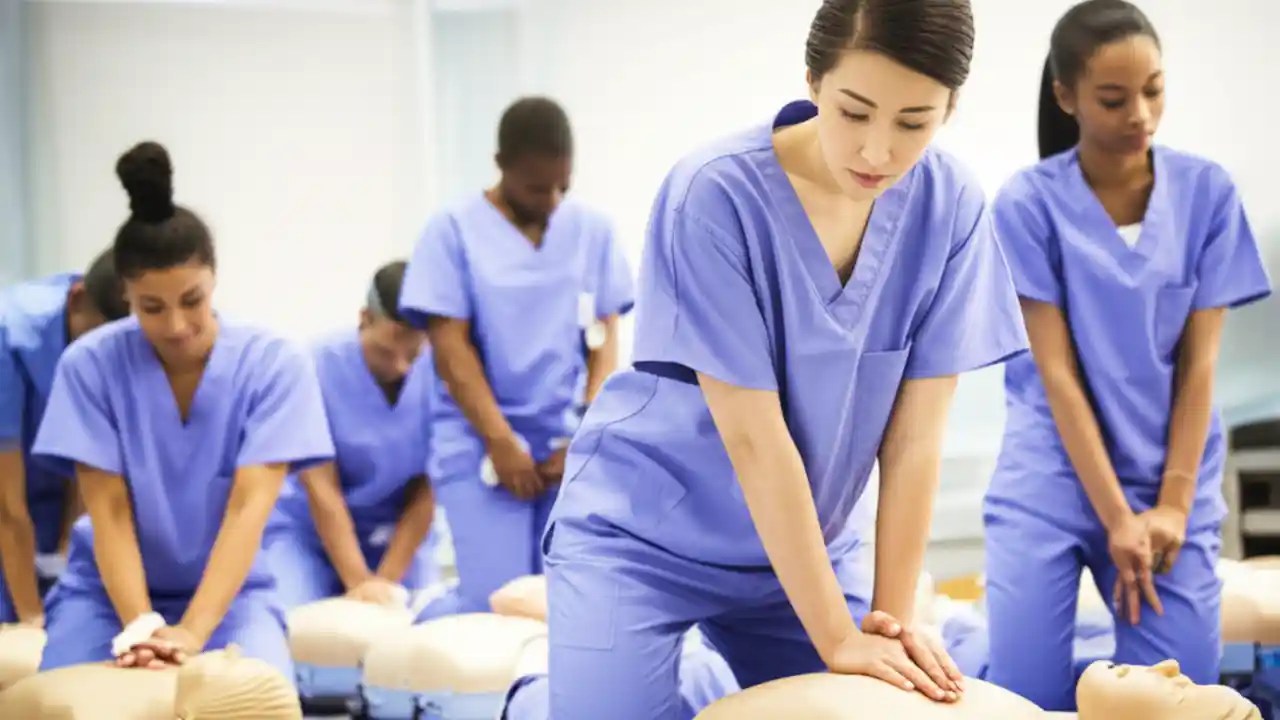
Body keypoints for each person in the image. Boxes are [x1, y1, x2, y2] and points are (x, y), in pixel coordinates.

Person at [540, 0, 1029, 716]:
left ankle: (696, 681)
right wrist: (836, 639)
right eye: (853, 112)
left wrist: (885, 628)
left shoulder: (950, 207)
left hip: (805, 556)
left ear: (949, 109)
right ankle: (538, 694)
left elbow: (916, 437)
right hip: (644, 539)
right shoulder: (715, 195)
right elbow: (754, 438)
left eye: (913, 123)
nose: (877, 152)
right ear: (813, 82)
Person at [982, 0, 1273, 711]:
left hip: (1168, 475)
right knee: (1024, 697)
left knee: (1180, 696)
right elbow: (1056, 373)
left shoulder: (1205, 193)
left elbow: (1201, 365)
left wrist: (1170, 505)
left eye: (1154, 90)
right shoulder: (1027, 205)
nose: (1140, 113)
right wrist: (1116, 519)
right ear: (1066, 96)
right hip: (1050, 475)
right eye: (1114, 99)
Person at [30, 141, 334, 679]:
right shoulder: (89, 367)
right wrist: (142, 627)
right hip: (104, 597)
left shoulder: (272, 364)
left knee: (253, 703)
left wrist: (192, 633)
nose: (175, 326)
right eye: (152, 307)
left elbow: (248, 507)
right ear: (125, 295)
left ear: (214, 278)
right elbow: (110, 512)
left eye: (192, 299)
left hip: (231, 599)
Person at [399, 96, 635, 615]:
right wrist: (501, 442)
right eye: (536, 186)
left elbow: (604, 338)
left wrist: (585, 436)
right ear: (501, 164)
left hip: (564, 444)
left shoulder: (590, 230)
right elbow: (450, 346)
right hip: (479, 442)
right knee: (497, 603)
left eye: (562, 186)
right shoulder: (453, 230)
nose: (552, 200)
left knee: (570, 606)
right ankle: (422, 638)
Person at [264, 260, 442, 611]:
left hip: (398, 534)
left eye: (413, 353)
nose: (401, 367)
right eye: (385, 352)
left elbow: (429, 490)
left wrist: (385, 583)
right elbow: (320, 485)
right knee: (290, 617)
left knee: (418, 625)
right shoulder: (315, 365)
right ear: (364, 318)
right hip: (307, 532)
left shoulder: (444, 374)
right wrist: (358, 580)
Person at [0, 249, 128, 628]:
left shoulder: (119, 326)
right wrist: (32, 618)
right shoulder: (10, 334)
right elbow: (6, 507)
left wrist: (62, 557)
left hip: (46, 508)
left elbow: (87, 452)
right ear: (76, 301)